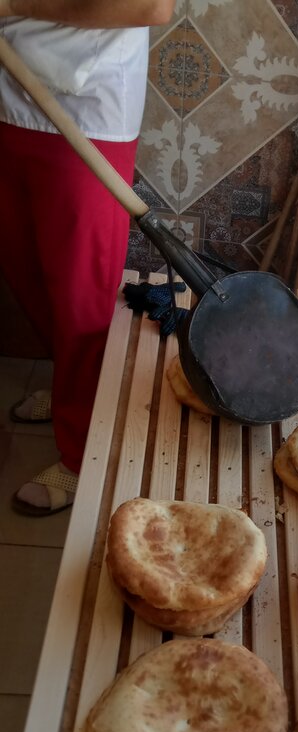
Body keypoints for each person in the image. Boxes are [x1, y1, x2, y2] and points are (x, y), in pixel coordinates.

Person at [0, 1, 175, 515]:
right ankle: (73, 391)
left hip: (84, 104)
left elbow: (149, 5)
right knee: (26, 270)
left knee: (81, 292)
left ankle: (82, 456)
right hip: (9, 86)